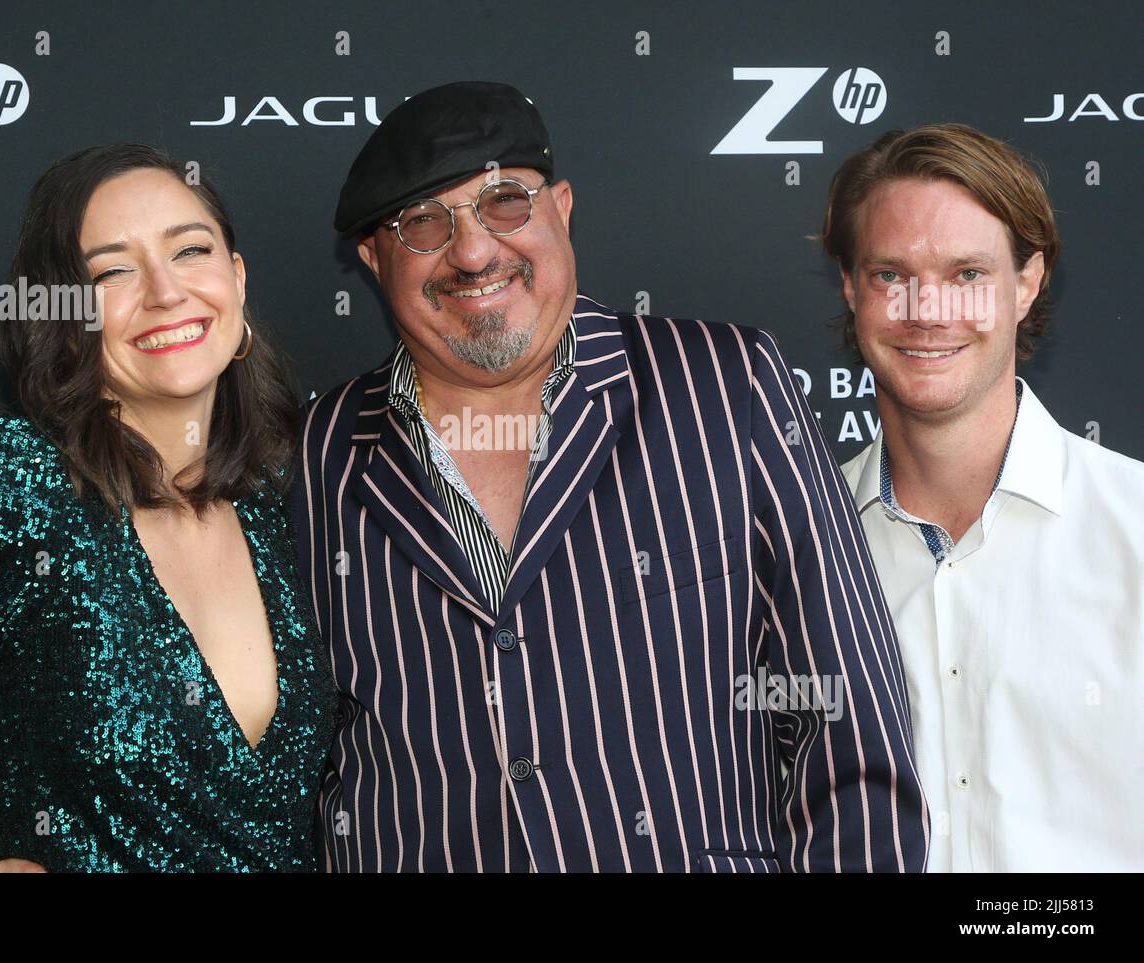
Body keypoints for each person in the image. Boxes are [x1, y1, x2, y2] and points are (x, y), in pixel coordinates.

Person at [296, 81, 929, 872]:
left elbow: (850, 724)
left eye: (505, 202)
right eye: (423, 221)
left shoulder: (726, 385)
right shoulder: (328, 442)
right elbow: (321, 752)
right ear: (372, 256)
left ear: (562, 206)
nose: (473, 251)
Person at [0, 144, 337, 872]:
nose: (166, 292)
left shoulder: (282, 498)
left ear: (236, 279)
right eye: (112, 270)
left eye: (191, 250)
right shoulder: (3, 485)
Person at [825, 123, 1144, 871]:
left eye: (967, 274)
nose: (927, 310)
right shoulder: (797, 549)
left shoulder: (1136, 529)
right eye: (890, 275)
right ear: (849, 284)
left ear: (1028, 281)